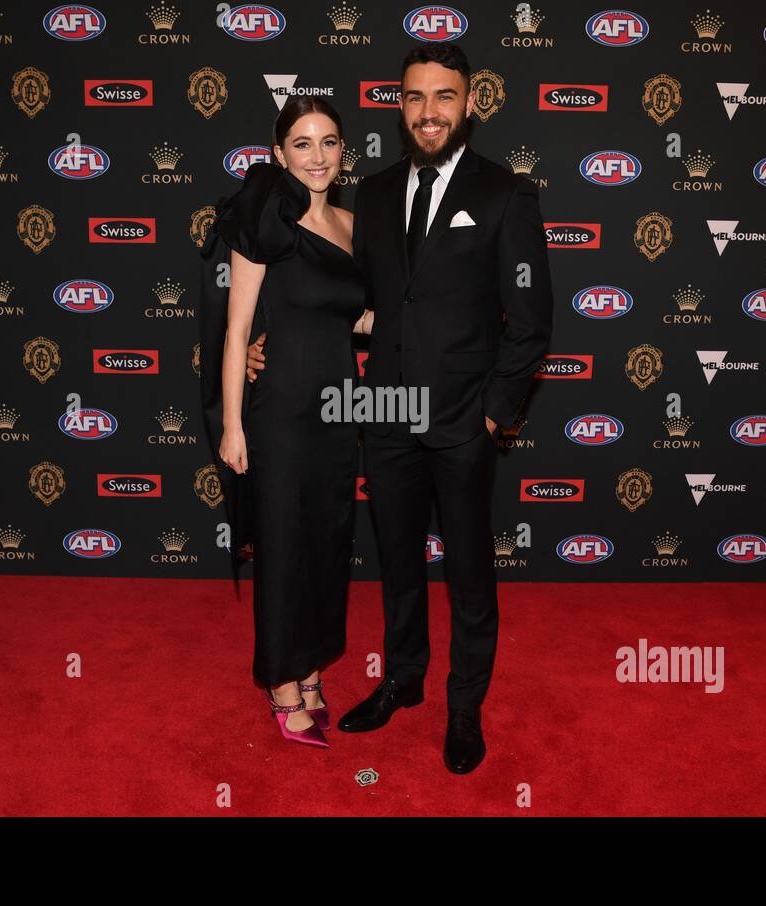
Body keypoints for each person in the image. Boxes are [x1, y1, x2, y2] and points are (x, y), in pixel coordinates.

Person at [247, 43, 554, 773]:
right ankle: (404, 679)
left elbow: (532, 320)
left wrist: (494, 413)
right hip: (387, 412)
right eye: (415, 97)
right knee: (400, 563)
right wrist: (268, 341)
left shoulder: (505, 192)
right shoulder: (377, 194)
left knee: (469, 573)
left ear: (469, 103)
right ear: (401, 106)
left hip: (463, 420)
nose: (428, 112)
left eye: (444, 96)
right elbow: (351, 301)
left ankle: (464, 707)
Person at [201, 97, 373, 748]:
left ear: (344, 151)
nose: (317, 156)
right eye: (302, 143)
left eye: (329, 142)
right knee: (283, 546)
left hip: (338, 409)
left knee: (328, 542)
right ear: (279, 154)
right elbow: (237, 328)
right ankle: (280, 682)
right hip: (278, 410)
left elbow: (356, 317)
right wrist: (233, 425)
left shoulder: (352, 225)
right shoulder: (267, 218)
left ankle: (311, 666)